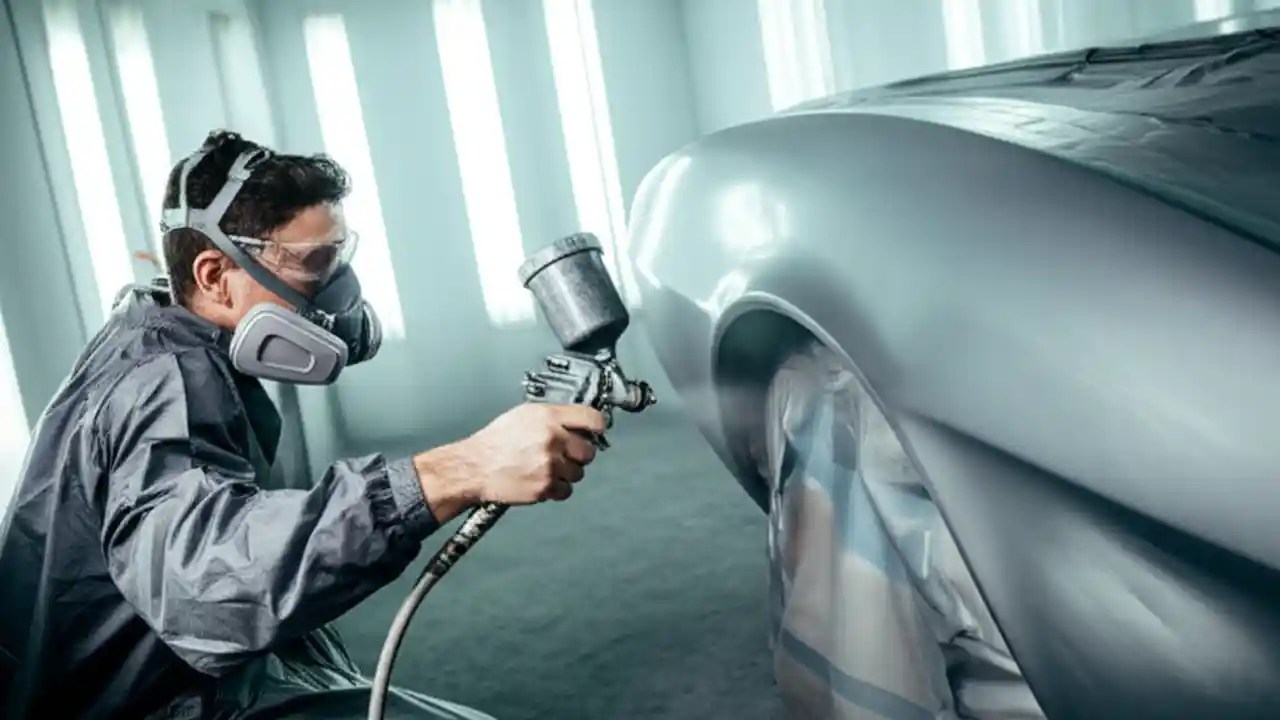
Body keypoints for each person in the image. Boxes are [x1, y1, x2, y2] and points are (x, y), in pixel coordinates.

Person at [0, 130, 605, 719]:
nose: (339, 295)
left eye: (339, 257)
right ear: (213, 274)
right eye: (313, 265)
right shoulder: (164, 383)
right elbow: (208, 589)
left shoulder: (157, 332)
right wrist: (459, 470)